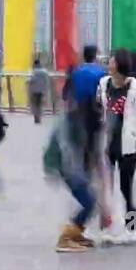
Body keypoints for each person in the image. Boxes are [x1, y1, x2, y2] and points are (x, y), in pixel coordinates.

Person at [98, 49, 136, 245]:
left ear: (119, 64)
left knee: (126, 189)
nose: (108, 63)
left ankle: (131, 229)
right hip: (108, 144)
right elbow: (100, 112)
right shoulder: (104, 84)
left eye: (111, 60)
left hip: (128, 146)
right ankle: (110, 227)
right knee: (106, 189)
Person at [46, 101, 99, 253]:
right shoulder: (72, 120)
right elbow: (66, 146)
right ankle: (66, 238)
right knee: (89, 202)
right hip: (69, 168)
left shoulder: (75, 117)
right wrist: (75, 171)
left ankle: (76, 233)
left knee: (91, 201)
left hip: (71, 167)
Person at [68, 46, 107, 170]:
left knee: (82, 135)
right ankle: (94, 161)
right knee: (95, 137)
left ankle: (84, 162)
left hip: (79, 109)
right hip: (95, 109)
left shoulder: (76, 72)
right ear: (95, 56)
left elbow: (71, 92)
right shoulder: (101, 73)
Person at [28, 58, 50, 125]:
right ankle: (39, 117)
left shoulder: (33, 71)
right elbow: (46, 81)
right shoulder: (44, 71)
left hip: (34, 91)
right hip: (42, 91)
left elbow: (30, 80)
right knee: (39, 104)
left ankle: (36, 117)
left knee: (35, 105)